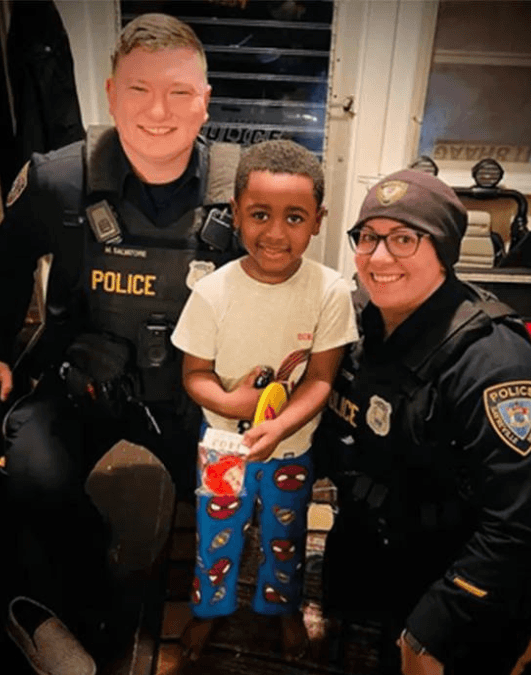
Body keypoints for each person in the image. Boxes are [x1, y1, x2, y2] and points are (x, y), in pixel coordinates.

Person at [0, 14, 240, 672]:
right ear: (112, 95)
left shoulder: (242, 186)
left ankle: (211, 608)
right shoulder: (57, 178)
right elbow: (5, 264)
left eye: (178, 92)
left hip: (194, 389)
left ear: (205, 100)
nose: (158, 112)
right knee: (32, 476)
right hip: (84, 381)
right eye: (139, 90)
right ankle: (84, 581)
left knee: (231, 496)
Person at [315, 170, 531, 674]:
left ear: (443, 251)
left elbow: (516, 526)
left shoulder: (495, 366)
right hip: (381, 557)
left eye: (403, 239)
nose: (379, 257)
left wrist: (432, 631)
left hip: (465, 588)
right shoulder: (355, 325)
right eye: (368, 237)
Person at [170, 140, 358, 661]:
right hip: (224, 447)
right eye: (259, 215)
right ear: (236, 214)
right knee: (216, 533)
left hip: (290, 448)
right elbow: (194, 376)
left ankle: (282, 608)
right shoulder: (212, 292)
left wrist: (277, 427)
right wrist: (237, 405)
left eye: (294, 217)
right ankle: (209, 609)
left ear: (317, 221)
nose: (275, 233)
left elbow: (320, 379)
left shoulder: (329, 291)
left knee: (285, 533)